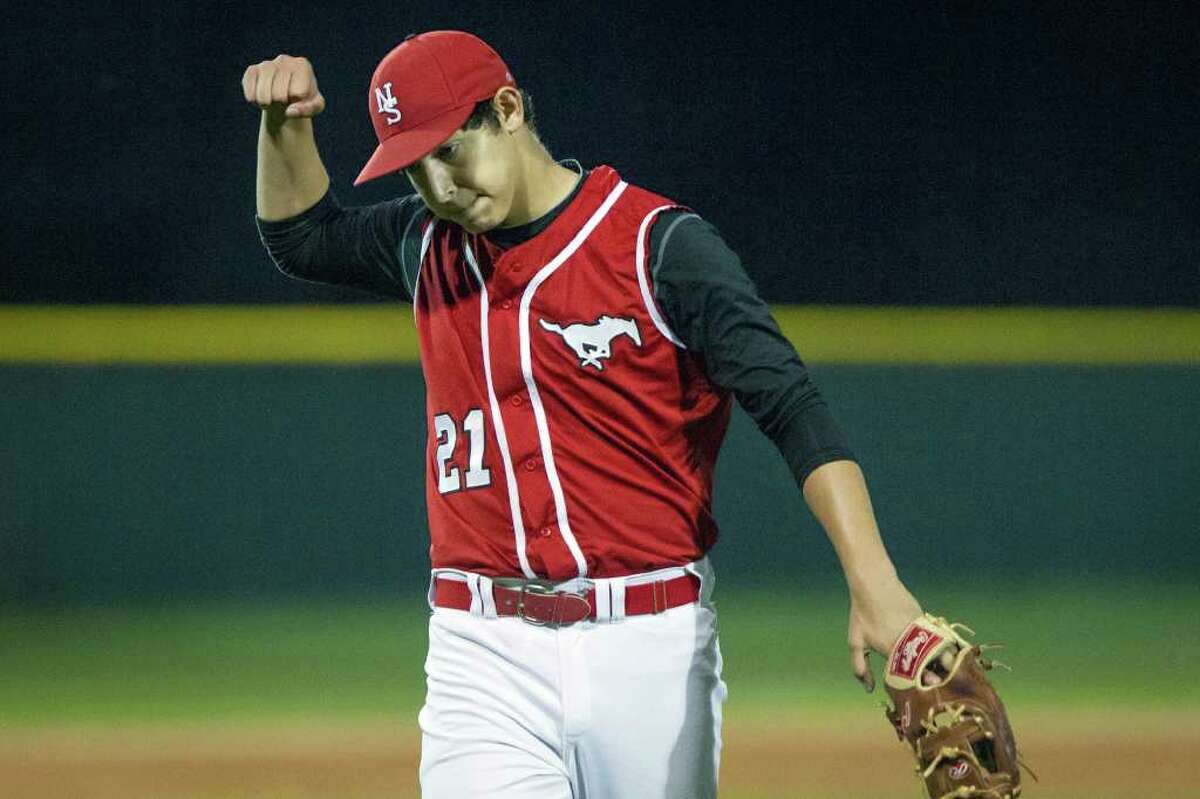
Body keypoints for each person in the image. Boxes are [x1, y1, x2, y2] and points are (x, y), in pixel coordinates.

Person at [244, 30, 925, 799]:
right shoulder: (424, 241)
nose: (437, 185)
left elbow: (790, 404)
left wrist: (876, 583)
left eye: (448, 151)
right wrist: (286, 123)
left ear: (506, 109)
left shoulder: (658, 246)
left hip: (650, 643)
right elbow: (301, 237)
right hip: (481, 647)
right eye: (414, 167)